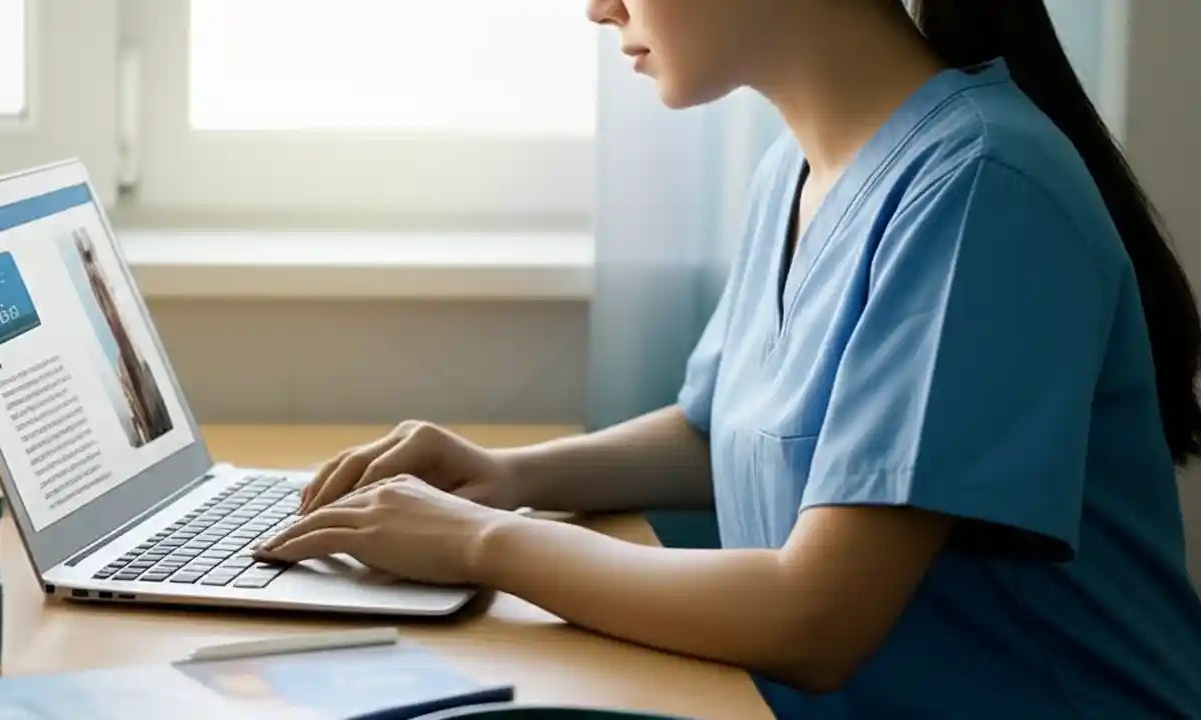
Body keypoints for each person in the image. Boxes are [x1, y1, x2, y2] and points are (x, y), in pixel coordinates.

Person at [256, 1, 1201, 716]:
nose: (597, 7)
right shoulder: (795, 166)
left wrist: (478, 545)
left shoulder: (980, 188)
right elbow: (730, 433)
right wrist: (505, 477)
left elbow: (814, 620)